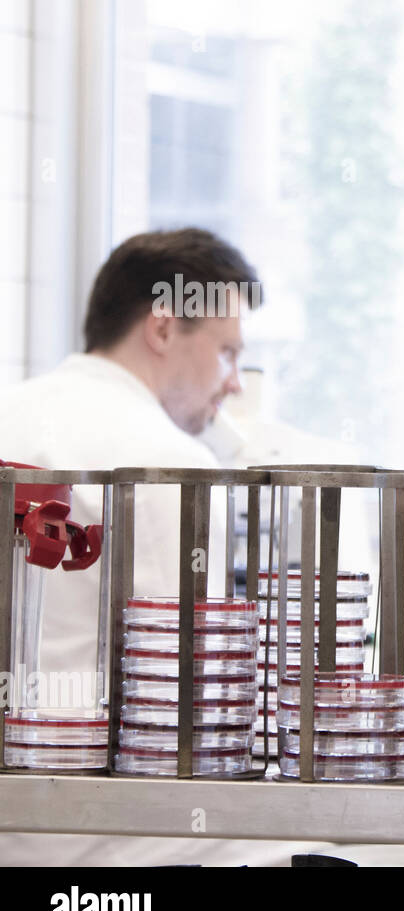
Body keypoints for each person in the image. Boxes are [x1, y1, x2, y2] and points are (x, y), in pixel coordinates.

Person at [0, 228, 330, 865]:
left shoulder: (12, 411)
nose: (234, 383)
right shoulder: (168, 464)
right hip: (91, 836)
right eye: (228, 352)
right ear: (162, 328)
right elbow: (182, 697)